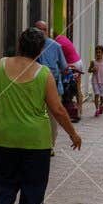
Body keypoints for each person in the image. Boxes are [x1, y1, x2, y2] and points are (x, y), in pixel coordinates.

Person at [0, 26, 81, 204]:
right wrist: (73, 134)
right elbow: (57, 109)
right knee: (33, 188)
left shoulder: (2, 64)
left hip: (2, 137)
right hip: (35, 142)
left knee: (3, 181)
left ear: (19, 45)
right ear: (40, 50)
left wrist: (0, 107)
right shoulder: (43, 74)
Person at [34, 21, 68, 152]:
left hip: (53, 88)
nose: (42, 32)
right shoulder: (30, 47)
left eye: (44, 30)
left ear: (47, 31)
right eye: (39, 30)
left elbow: (64, 67)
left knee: (52, 118)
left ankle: (50, 146)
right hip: (34, 88)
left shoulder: (56, 47)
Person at [55, 29, 83, 119]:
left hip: (74, 63)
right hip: (78, 61)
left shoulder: (57, 43)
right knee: (78, 87)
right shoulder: (63, 38)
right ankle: (80, 109)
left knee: (69, 86)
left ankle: (73, 109)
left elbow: (60, 59)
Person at [88, 45, 103, 117]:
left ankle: (101, 105)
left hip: (102, 81)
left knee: (102, 96)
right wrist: (92, 70)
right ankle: (97, 110)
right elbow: (89, 70)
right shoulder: (93, 61)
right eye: (97, 52)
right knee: (96, 94)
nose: (98, 54)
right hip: (95, 80)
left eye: (99, 52)